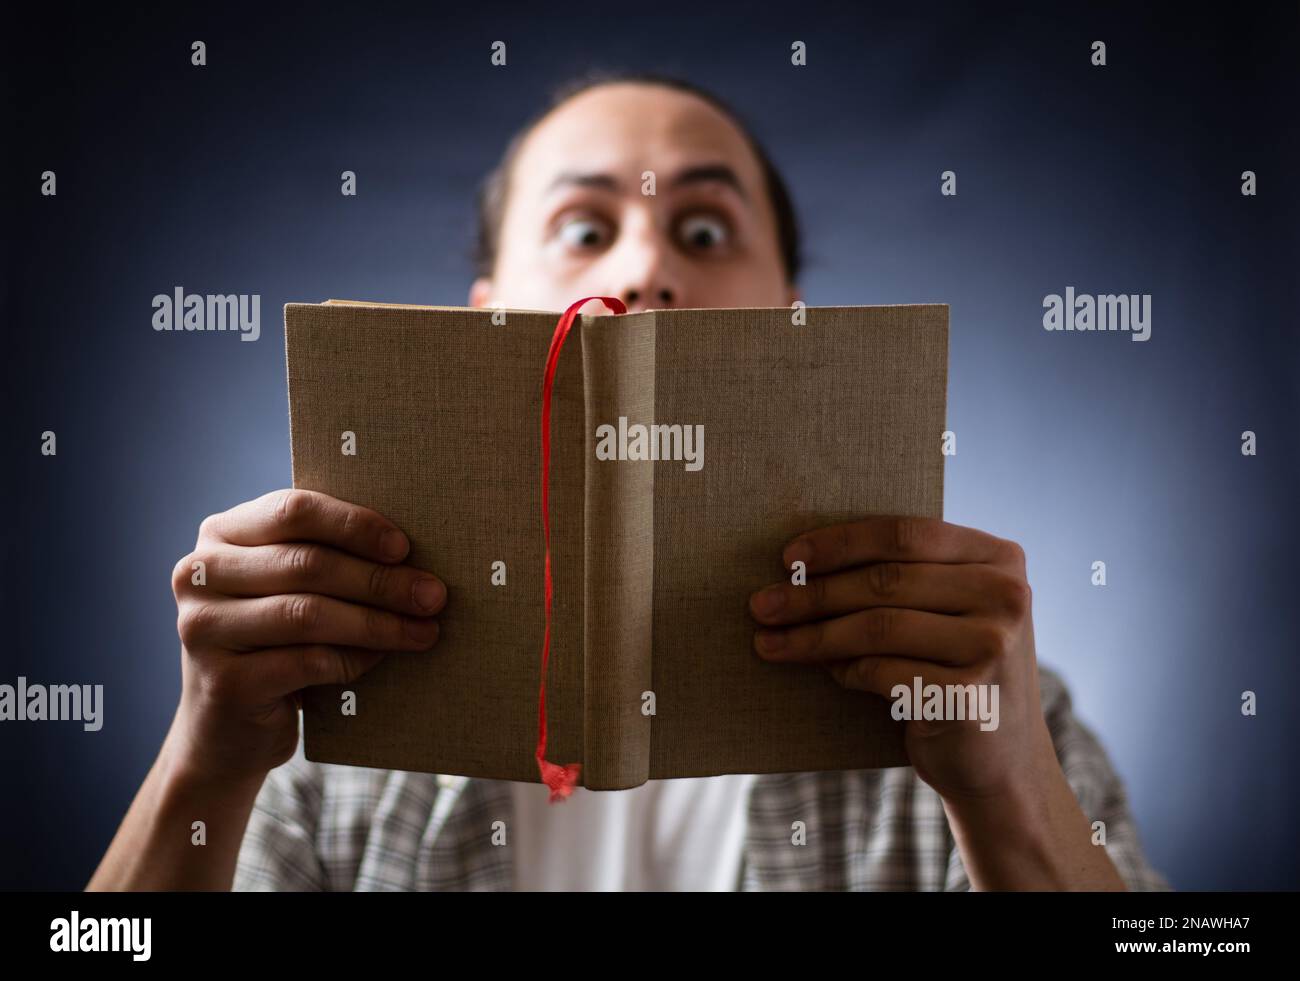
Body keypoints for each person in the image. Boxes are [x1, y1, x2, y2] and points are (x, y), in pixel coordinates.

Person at [89, 70, 1168, 891]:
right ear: (483, 313)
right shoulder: (330, 723)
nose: (642, 268)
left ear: (790, 308)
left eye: (704, 229)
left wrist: (1011, 800)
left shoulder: (975, 704)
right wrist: (205, 764)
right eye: (582, 228)